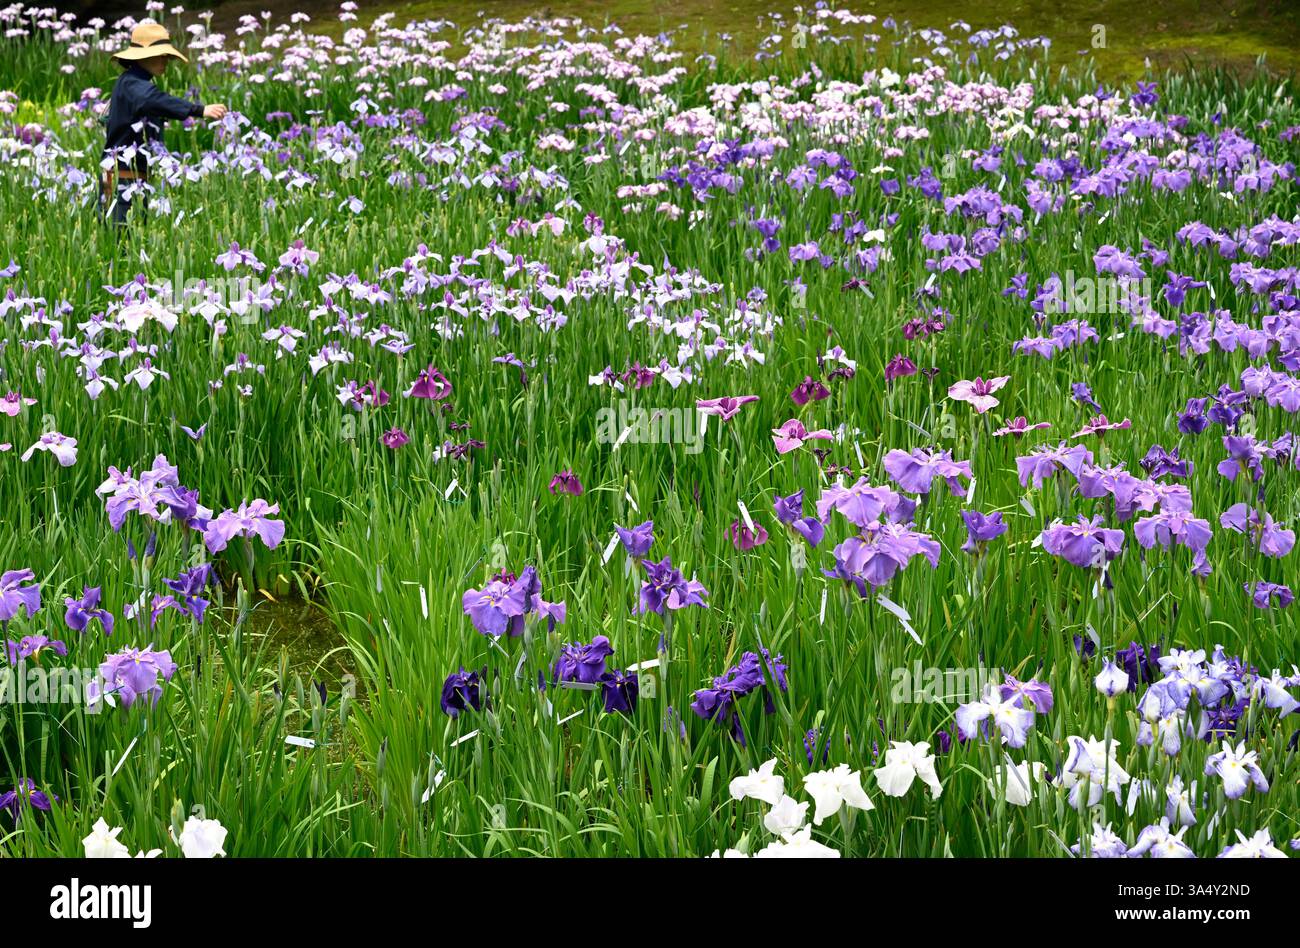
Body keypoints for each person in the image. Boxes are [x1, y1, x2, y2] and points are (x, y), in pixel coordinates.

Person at [101, 22, 228, 226]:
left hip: (134, 177)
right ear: (141, 56)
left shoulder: (135, 82)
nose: (165, 61)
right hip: (122, 177)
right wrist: (199, 110)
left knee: (133, 236)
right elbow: (152, 99)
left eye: (166, 55)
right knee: (120, 238)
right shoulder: (133, 84)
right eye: (160, 55)